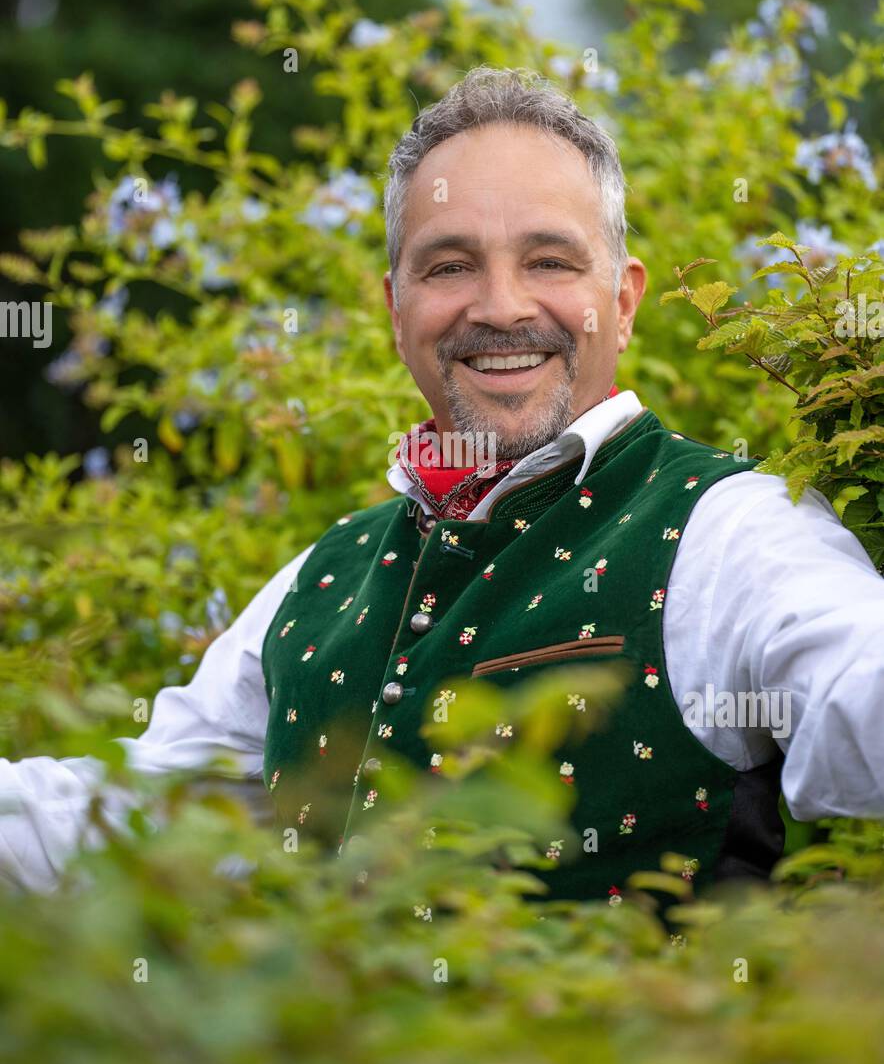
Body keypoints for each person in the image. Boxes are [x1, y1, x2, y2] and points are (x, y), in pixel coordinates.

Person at [2, 66, 882, 900]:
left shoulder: (733, 528)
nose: (500, 306)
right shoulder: (322, 579)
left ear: (621, 301)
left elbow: (860, 688)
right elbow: (120, 821)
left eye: (550, 261)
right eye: (450, 265)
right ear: (396, 309)